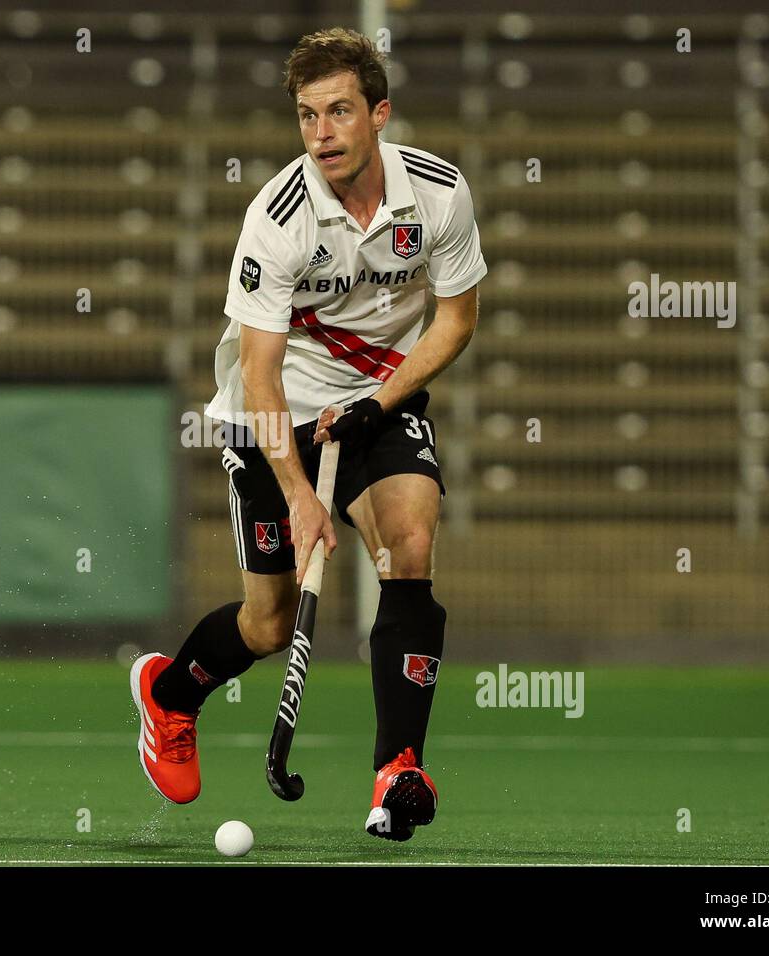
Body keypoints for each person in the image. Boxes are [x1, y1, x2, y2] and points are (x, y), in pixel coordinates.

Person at [130, 27, 485, 841]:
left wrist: (380, 403)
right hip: (277, 414)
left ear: (378, 114)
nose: (320, 132)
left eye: (338, 111)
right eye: (306, 115)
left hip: (380, 400)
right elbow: (259, 375)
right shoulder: (276, 219)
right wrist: (297, 495)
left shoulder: (437, 193)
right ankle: (170, 694)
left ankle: (399, 772)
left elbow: (456, 320)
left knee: (410, 541)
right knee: (269, 621)